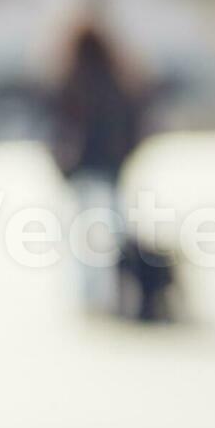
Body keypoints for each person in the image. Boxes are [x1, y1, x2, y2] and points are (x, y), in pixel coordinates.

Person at [48, 20, 160, 321]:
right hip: (110, 168)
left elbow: (58, 129)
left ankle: (91, 298)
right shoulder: (118, 79)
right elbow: (135, 122)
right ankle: (115, 296)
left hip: (85, 170)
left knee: (86, 240)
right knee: (113, 238)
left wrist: (64, 165)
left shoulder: (71, 80)